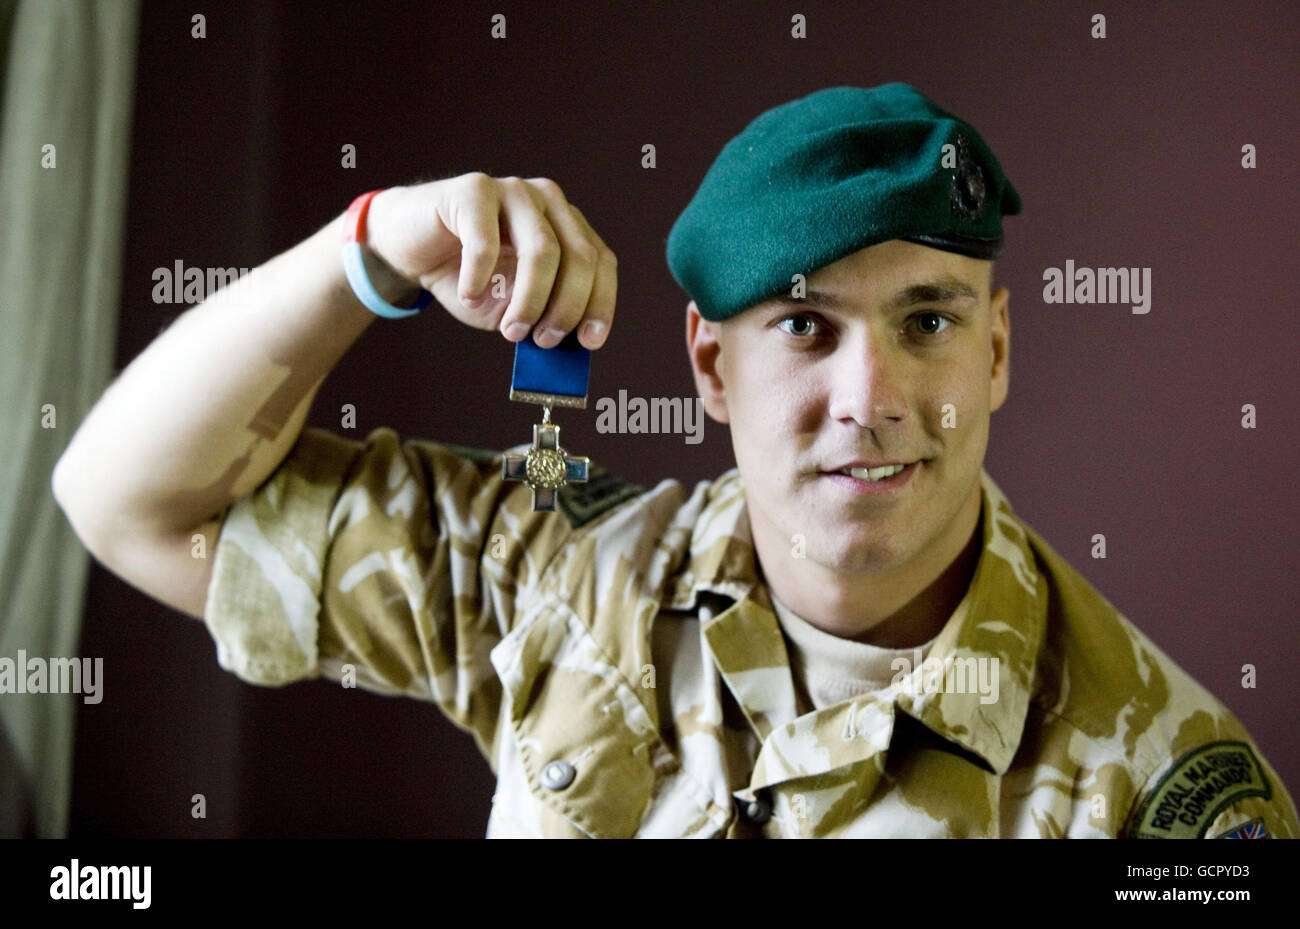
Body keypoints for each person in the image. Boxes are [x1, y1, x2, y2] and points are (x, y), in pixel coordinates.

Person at [53, 83, 1297, 838]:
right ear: (709, 367)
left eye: (927, 322)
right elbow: (125, 501)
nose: (871, 400)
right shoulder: (555, 574)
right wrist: (370, 248)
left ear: (996, 352)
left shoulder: (1157, 788)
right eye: (805, 327)